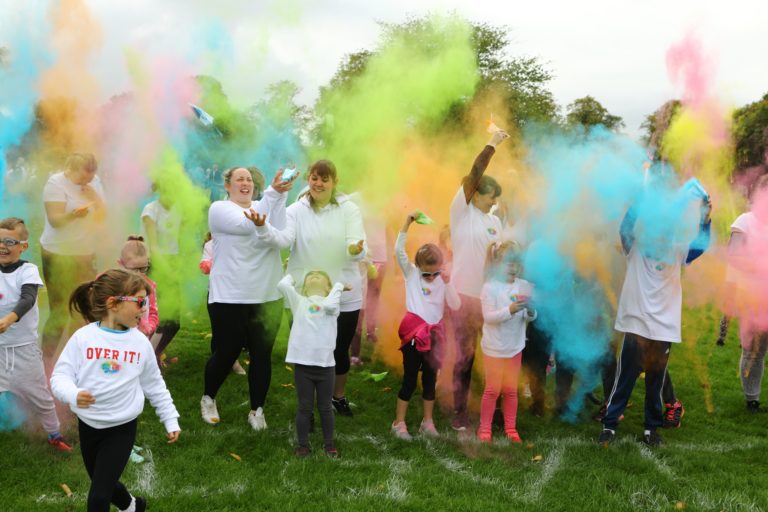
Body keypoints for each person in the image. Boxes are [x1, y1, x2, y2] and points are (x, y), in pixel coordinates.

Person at [51, 269, 180, 512]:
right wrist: (73, 394)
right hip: (88, 426)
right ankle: (133, 506)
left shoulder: (140, 343)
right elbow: (60, 377)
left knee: (98, 498)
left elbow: (154, 384)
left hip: (121, 428)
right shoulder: (83, 338)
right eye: (140, 302)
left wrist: (170, 418)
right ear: (113, 303)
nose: (145, 309)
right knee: (103, 483)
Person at [598, 177, 712, 447]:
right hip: (636, 324)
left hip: (663, 328)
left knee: (656, 381)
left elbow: (701, 245)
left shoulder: (677, 252)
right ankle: (610, 425)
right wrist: (641, 202)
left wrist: (705, 218)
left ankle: (651, 428)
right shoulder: (635, 250)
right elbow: (625, 228)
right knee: (625, 378)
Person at [253, 160, 367, 417]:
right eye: (314, 178)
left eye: (325, 179)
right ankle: (308, 405)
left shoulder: (349, 209)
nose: (319, 184)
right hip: (304, 295)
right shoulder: (296, 209)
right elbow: (283, 240)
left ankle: (338, 397)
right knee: (306, 351)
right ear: (308, 180)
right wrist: (262, 228)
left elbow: (358, 245)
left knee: (339, 349)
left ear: (334, 182)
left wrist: (354, 250)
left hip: (344, 291)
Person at [201, 167, 293, 430]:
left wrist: (280, 195)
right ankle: (208, 397)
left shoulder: (265, 203)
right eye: (239, 179)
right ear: (227, 185)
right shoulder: (220, 209)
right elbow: (247, 224)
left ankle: (257, 410)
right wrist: (273, 193)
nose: (245, 183)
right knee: (227, 351)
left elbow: (282, 237)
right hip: (229, 295)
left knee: (262, 354)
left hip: (267, 294)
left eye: (249, 180)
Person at [448, 128, 509, 430]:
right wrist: (492, 143)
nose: (494, 201)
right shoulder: (461, 211)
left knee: (495, 354)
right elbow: (474, 173)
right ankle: (459, 411)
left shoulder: (495, 221)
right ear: (476, 193)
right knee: (465, 356)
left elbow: (501, 258)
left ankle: (493, 408)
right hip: (464, 296)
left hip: (490, 298)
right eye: (490, 196)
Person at [0, 217, 71, 451]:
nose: (2, 246)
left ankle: (54, 435)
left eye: (10, 241)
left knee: (41, 398)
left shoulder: (27, 271)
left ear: (23, 246)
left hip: (23, 351)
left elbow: (28, 299)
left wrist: (9, 319)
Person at [391, 212, 460, 440]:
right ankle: (398, 423)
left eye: (435, 273)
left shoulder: (443, 279)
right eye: (426, 274)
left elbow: (456, 304)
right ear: (417, 266)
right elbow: (398, 251)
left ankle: (427, 422)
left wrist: (447, 283)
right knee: (410, 380)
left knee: (430, 380)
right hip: (414, 335)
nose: (431, 277)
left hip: (435, 336)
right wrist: (407, 223)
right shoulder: (411, 274)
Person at [40, 152, 105, 367]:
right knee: (59, 310)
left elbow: (103, 216)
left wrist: (95, 198)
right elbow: (55, 221)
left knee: (83, 308)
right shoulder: (55, 183)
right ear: (70, 170)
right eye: (82, 178)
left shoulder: (94, 182)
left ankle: (74, 360)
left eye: (90, 177)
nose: (86, 182)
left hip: (85, 253)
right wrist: (73, 215)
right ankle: (45, 362)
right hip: (57, 253)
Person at [278, 272, 346, 457]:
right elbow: (283, 285)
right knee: (305, 407)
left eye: (319, 275)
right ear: (305, 288)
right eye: (310, 275)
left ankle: (329, 444)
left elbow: (329, 305)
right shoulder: (299, 302)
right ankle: (303, 445)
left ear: (328, 287)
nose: (314, 275)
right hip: (304, 367)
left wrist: (338, 286)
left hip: (326, 367)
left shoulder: (332, 304)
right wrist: (292, 275)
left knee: (325, 407)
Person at [477, 241, 535, 443]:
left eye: (517, 263)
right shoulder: (489, 287)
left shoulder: (523, 286)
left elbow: (529, 317)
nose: (513, 268)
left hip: (514, 347)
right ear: (497, 264)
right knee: (493, 390)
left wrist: (531, 311)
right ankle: (484, 428)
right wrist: (509, 310)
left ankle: (511, 428)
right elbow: (488, 317)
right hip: (494, 348)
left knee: (511, 390)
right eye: (509, 263)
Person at [723, 174, 768, 412]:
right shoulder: (745, 221)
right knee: (754, 351)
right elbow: (732, 256)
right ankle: (752, 399)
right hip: (751, 296)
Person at [141, 185, 182, 366]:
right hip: (155, 264)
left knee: (174, 322)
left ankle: (155, 354)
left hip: (173, 262)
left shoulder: (179, 210)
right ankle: (147, 359)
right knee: (159, 318)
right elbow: (153, 246)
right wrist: (168, 271)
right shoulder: (150, 210)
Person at [199, 232, 246, 375]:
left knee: (236, 329)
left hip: (237, 293)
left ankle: (231, 359)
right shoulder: (210, 245)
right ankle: (220, 363)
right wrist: (221, 263)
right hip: (216, 294)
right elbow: (204, 267)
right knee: (219, 330)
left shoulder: (239, 241)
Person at [116, 235, 158, 340]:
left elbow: (153, 313)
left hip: (140, 339)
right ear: (120, 264)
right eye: (134, 270)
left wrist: (149, 328)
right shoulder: (114, 285)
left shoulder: (149, 286)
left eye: (143, 269)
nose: (139, 274)